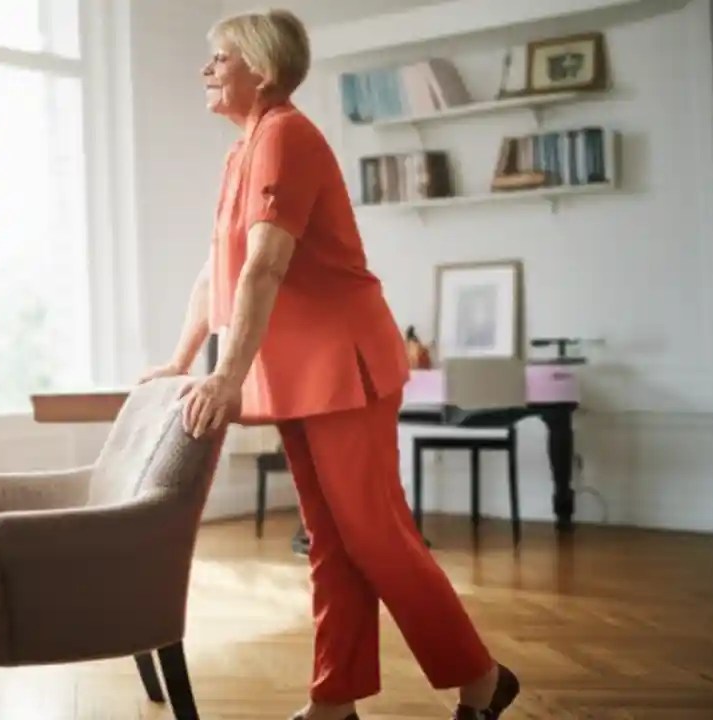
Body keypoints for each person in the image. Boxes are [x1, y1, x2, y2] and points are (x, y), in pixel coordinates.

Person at [138, 9, 520, 720]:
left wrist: (225, 374)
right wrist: (180, 359)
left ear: (264, 68)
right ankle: (334, 701)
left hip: (345, 370)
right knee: (331, 541)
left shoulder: (286, 136)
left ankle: (480, 678)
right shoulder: (242, 151)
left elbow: (263, 269)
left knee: (376, 535)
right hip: (295, 375)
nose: (207, 69)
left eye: (221, 57)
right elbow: (217, 272)